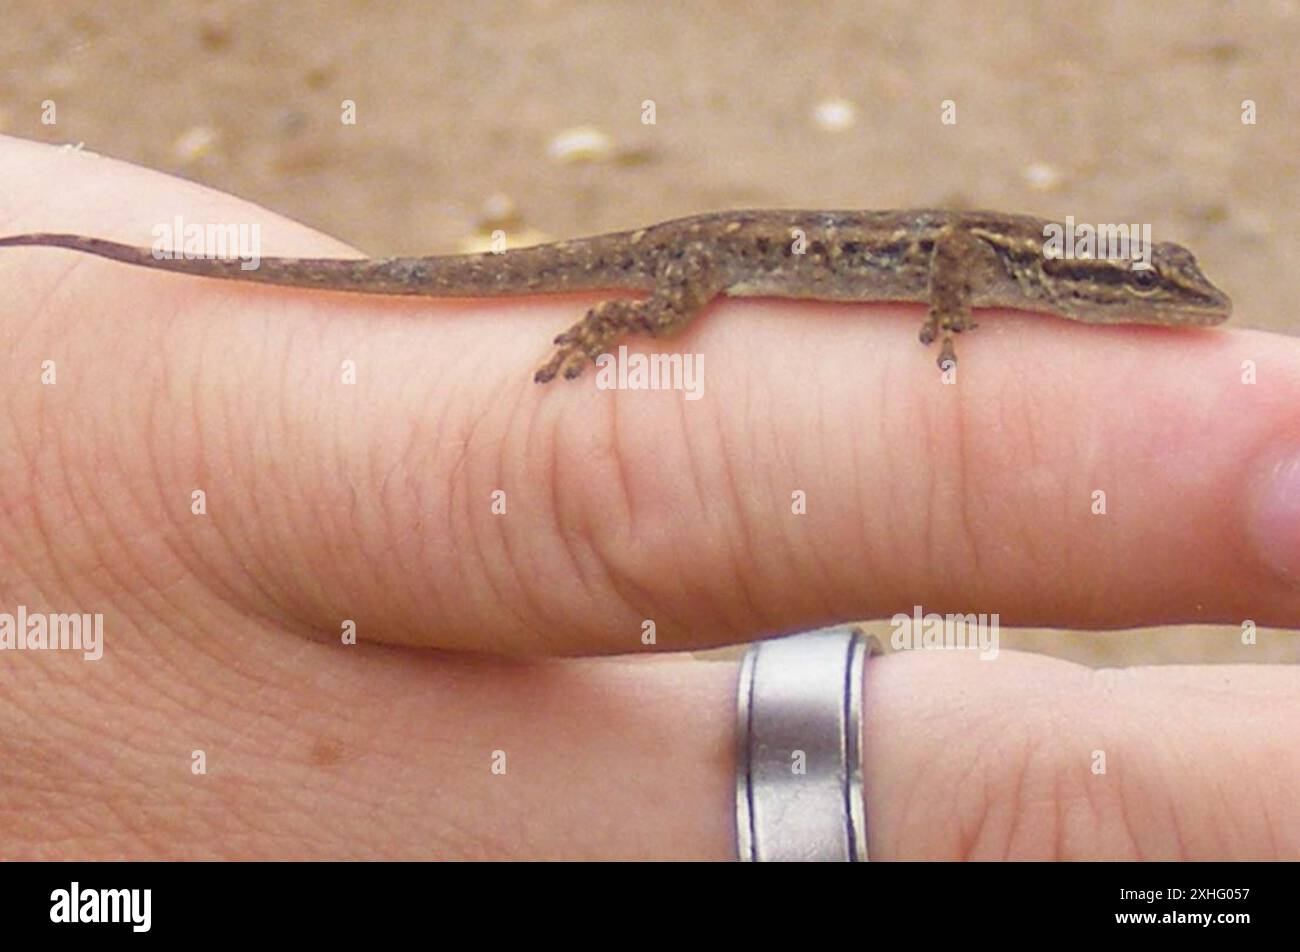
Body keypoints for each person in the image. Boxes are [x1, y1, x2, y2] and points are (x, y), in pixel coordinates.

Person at [2, 135, 1296, 860]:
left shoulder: (1039, 270)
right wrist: (611, 335)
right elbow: (952, 249)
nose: (1175, 309)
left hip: (743, 241)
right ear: (1095, 289)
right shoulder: (994, 268)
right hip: (699, 257)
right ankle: (604, 331)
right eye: (1156, 293)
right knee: (666, 320)